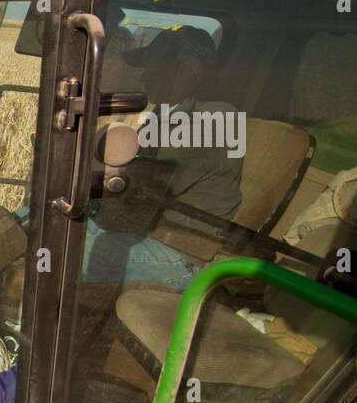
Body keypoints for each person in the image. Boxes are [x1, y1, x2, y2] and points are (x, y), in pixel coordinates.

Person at [83, 24, 243, 289]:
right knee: (33, 219)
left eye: (155, 65)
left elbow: (143, 179)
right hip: (143, 233)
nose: (145, 76)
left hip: (175, 253)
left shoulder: (215, 119)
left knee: (47, 243)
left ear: (189, 69)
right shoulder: (168, 113)